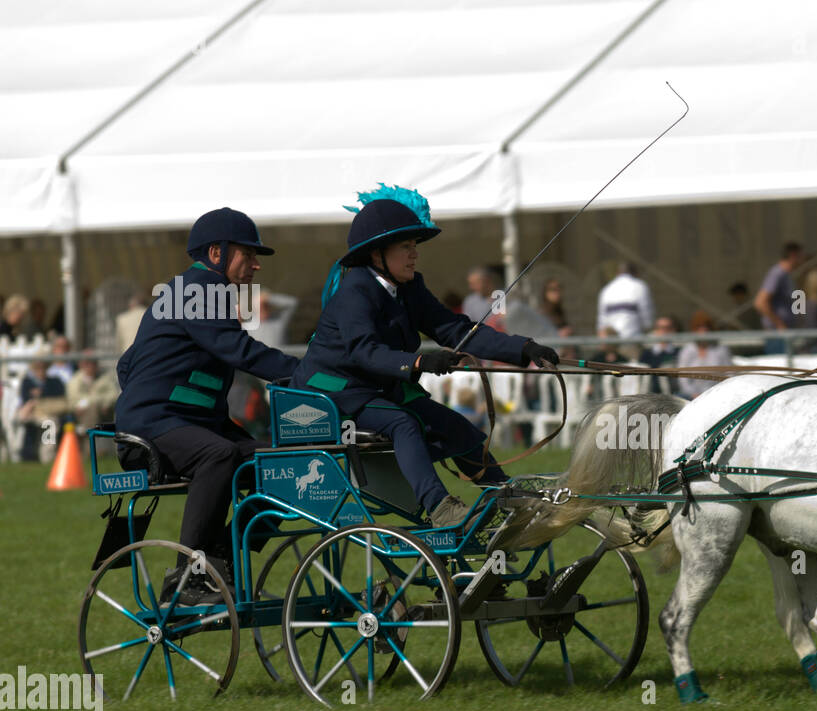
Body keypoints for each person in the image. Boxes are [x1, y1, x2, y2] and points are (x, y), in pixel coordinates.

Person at [293, 184, 557, 528]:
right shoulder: (355, 290)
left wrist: (523, 348)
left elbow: (454, 329)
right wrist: (419, 362)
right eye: (406, 247)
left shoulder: (410, 286)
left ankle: (507, 497)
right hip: (333, 393)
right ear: (377, 254)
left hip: (378, 391)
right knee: (403, 423)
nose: (414, 254)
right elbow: (364, 351)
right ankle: (441, 508)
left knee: (456, 426)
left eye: (414, 246)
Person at [115, 207, 299, 603]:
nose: (255, 266)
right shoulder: (198, 289)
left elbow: (126, 363)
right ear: (216, 253)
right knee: (219, 454)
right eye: (248, 255)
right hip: (156, 428)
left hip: (185, 424)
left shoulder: (188, 291)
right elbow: (239, 352)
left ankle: (222, 560)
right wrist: (309, 376)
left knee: (291, 463)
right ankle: (187, 580)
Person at [755, 242, 806, 355]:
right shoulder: (777, 274)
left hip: (785, 335)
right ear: (793, 255)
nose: (803, 260)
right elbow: (760, 302)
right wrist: (779, 325)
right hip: (778, 336)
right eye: (801, 256)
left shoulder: (787, 275)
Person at [596, 261, 655, 349]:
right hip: (633, 339)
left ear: (617, 273)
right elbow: (646, 314)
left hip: (612, 343)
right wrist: (648, 328)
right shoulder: (640, 286)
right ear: (635, 273)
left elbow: (602, 320)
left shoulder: (607, 289)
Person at [14, 360, 66, 462]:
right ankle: (20, 453)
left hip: (47, 414)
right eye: (38, 367)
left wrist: (39, 398)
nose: (40, 370)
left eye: (43, 367)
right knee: (20, 420)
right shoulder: (27, 382)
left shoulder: (54, 382)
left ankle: (47, 456)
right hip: (30, 413)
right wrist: (33, 401)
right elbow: (25, 401)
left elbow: (58, 401)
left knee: (50, 423)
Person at [676, 311, 732, 399]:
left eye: (706, 327)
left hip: (716, 394)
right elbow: (682, 377)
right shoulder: (687, 349)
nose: (703, 331)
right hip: (691, 395)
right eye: (699, 328)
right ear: (694, 330)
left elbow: (730, 374)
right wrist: (693, 394)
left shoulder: (721, 349)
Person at [66, 355, 120, 432]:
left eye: (93, 363)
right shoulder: (75, 381)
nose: (90, 366)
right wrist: (97, 400)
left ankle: (91, 433)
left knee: (94, 406)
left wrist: (105, 403)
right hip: (82, 415)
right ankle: (91, 433)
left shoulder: (105, 378)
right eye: (87, 363)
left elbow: (114, 394)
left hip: (104, 412)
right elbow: (72, 401)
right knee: (92, 407)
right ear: (81, 365)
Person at [638, 315, 681, 395]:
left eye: (667, 328)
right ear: (655, 331)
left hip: (674, 395)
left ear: (673, 330)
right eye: (660, 328)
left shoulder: (679, 352)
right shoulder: (647, 354)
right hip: (649, 395)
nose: (664, 331)